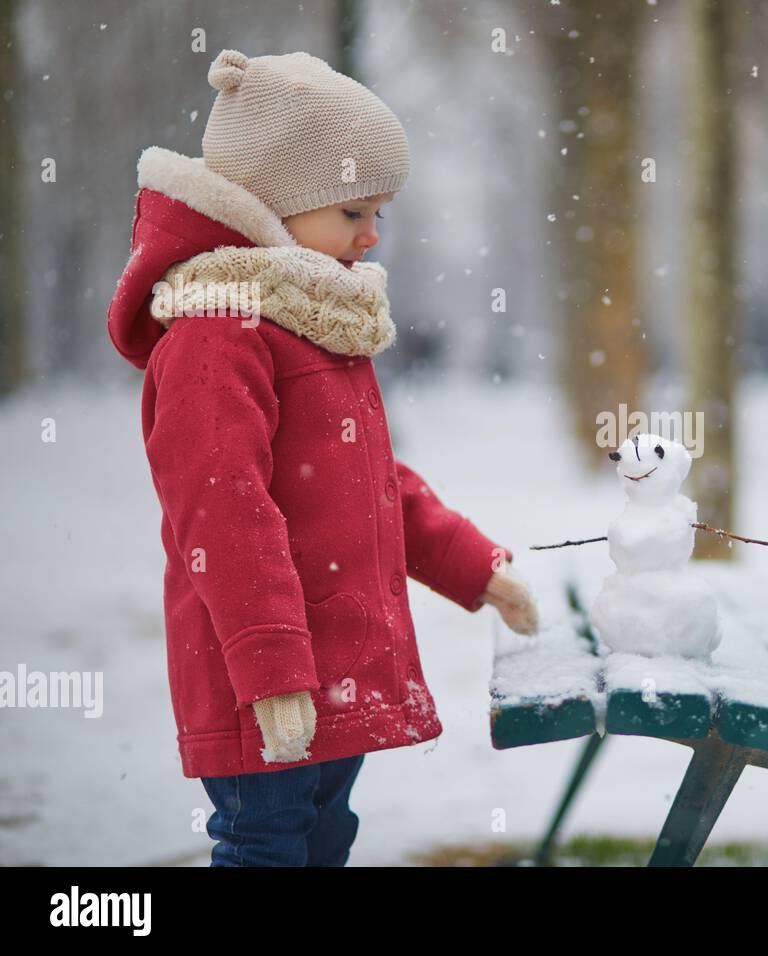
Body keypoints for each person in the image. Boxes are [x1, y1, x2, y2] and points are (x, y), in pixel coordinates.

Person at [106, 48, 539, 866]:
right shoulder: (217, 329)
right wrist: (270, 672)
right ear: (276, 202)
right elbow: (221, 508)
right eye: (352, 211)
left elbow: (369, 484)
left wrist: (471, 565)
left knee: (325, 836)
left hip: (332, 666)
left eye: (381, 212)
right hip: (267, 678)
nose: (372, 234)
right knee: (265, 844)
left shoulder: (306, 312)